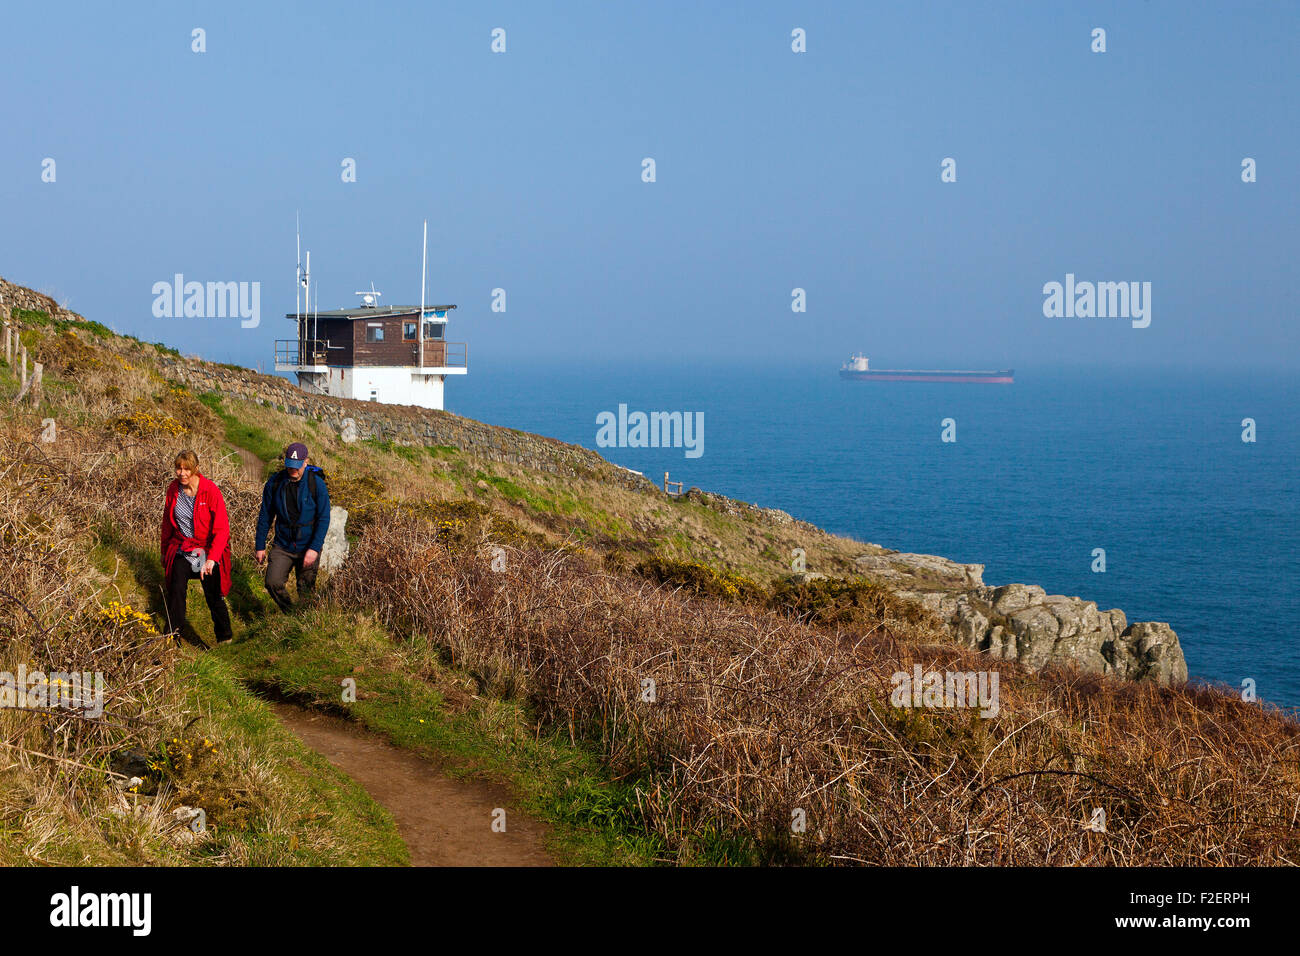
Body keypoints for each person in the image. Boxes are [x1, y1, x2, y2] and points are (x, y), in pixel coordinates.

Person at [161, 449, 234, 645]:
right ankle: (172, 634)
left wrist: (212, 558)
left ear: (196, 469)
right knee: (176, 586)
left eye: (187, 469)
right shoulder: (173, 490)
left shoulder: (210, 491)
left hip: (207, 550)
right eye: (179, 468)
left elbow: (222, 528)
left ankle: (224, 635)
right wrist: (164, 552)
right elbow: (167, 524)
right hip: (183, 547)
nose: (182, 473)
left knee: (213, 593)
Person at [255, 441, 330, 612]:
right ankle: (291, 613)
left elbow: (324, 518)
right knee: (272, 582)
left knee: (306, 590)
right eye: (289, 466)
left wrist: (314, 548)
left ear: (306, 462)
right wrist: (260, 545)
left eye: (297, 466)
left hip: (308, 544)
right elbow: (265, 515)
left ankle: (304, 622)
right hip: (283, 545)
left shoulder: (317, 484)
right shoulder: (274, 483)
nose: (293, 470)